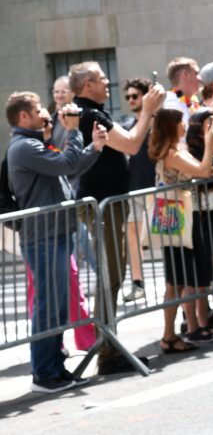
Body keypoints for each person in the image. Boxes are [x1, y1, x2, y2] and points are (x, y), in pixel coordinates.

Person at [6, 92, 107, 394]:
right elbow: (65, 163)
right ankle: (44, 374)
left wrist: (95, 148)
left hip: (58, 235)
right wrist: (74, 131)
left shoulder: (36, 144)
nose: (45, 113)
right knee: (48, 308)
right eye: (38, 110)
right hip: (43, 238)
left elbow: (69, 169)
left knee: (58, 306)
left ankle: (55, 368)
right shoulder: (23, 147)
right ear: (24, 117)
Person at [70, 61, 165, 375]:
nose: (107, 81)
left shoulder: (90, 112)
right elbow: (133, 144)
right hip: (101, 205)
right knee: (111, 276)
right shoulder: (90, 114)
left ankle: (107, 346)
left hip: (106, 203)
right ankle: (107, 351)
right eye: (100, 78)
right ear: (87, 85)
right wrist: (148, 109)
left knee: (114, 274)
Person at [148, 107, 213, 352]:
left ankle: (177, 332)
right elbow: (204, 170)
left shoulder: (177, 150)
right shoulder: (170, 152)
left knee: (185, 277)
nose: (184, 126)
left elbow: (200, 173)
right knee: (177, 280)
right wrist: (208, 143)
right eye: (180, 122)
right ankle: (172, 334)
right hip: (175, 217)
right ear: (170, 126)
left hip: (181, 215)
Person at [121, 77, 157, 303]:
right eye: (128, 97)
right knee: (132, 235)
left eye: (135, 96)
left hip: (158, 186)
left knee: (169, 233)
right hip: (134, 188)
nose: (131, 100)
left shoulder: (158, 121)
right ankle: (138, 283)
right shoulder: (126, 125)